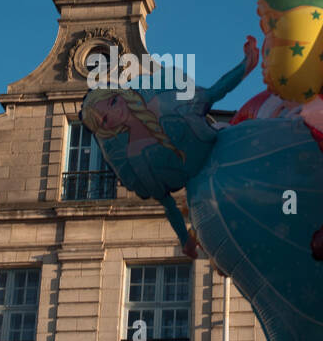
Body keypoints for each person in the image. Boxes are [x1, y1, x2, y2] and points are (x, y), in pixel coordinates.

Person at [80, 37, 258, 257]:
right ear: (106, 129)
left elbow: (214, 93)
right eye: (106, 119)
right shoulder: (135, 157)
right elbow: (168, 204)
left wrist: (246, 66)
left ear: (121, 95)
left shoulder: (164, 99)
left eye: (113, 102)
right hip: (210, 189)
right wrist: (185, 240)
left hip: (228, 151)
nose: (116, 112)